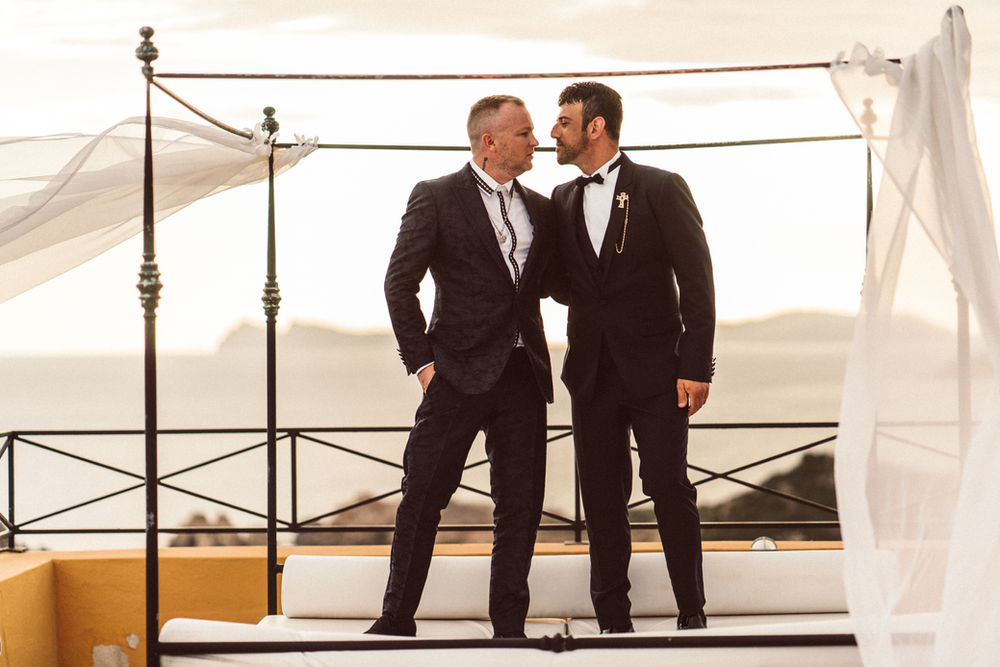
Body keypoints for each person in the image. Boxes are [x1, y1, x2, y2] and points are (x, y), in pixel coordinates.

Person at [368, 95, 556, 639]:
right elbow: (399, 284)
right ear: (489, 141)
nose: (534, 141)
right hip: (454, 373)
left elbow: (551, 285)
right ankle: (396, 619)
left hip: (524, 374)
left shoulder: (542, 208)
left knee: (520, 509)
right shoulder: (436, 196)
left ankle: (509, 631)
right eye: (524, 133)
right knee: (423, 496)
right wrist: (424, 365)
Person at [548, 81, 716, 632]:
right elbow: (568, 283)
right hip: (590, 373)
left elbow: (697, 281)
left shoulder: (661, 188)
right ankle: (612, 622)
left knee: (668, 486)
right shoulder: (563, 197)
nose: (555, 131)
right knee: (600, 498)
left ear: (595, 126)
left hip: (658, 372)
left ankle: (692, 613)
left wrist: (695, 366)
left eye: (565, 121)